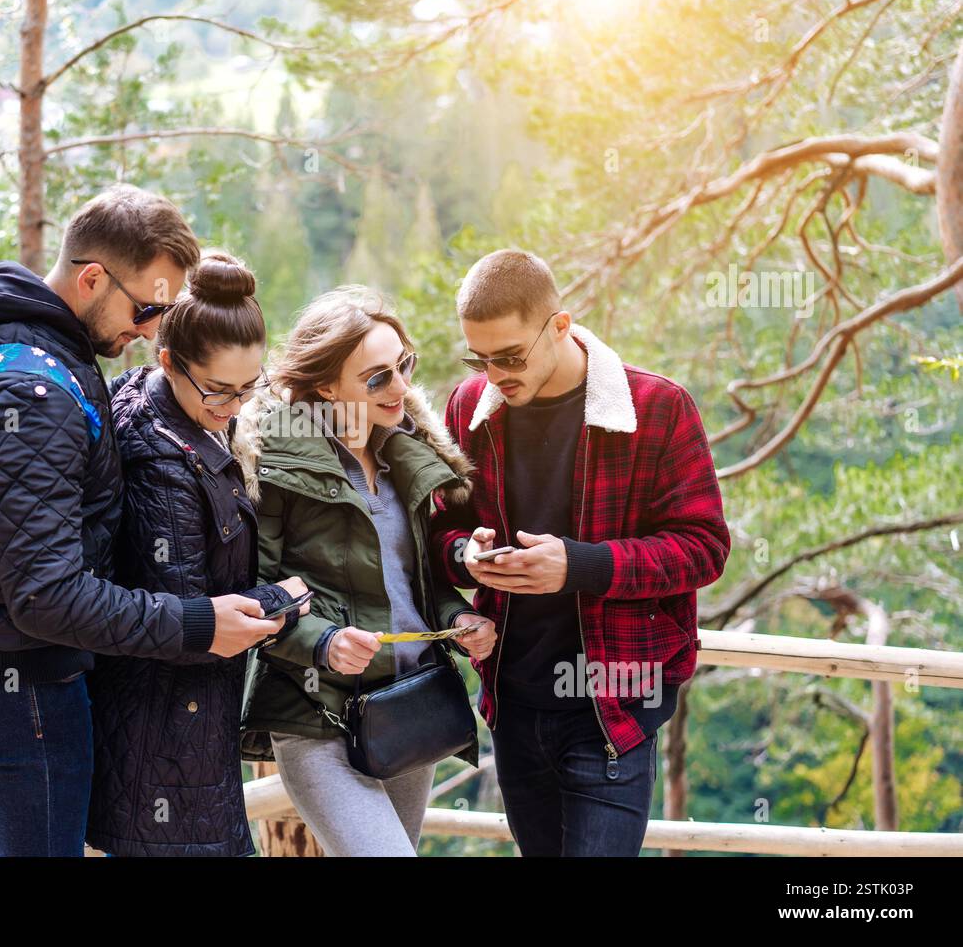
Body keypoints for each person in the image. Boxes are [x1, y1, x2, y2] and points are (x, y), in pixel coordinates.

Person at [0, 185, 281, 857]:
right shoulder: (33, 393)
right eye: (145, 308)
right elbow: (47, 595)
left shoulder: (5, 336)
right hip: (20, 676)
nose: (148, 331)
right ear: (92, 278)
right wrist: (199, 622)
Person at [429, 248, 731, 856]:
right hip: (513, 704)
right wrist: (468, 553)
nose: (495, 375)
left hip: (614, 707)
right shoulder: (467, 408)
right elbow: (437, 535)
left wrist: (580, 565)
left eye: (510, 357)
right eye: (479, 358)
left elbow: (703, 550)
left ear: (560, 325)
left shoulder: (657, 408)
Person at [236, 286, 497, 857]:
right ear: (327, 385)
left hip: (410, 708)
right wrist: (322, 642)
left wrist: (459, 618)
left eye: (404, 366)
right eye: (377, 377)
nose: (400, 388)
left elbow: (418, 579)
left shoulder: (404, 459)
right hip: (319, 717)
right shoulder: (276, 467)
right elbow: (254, 595)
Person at [87, 251, 308, 856]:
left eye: (248, 388)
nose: (234, 408)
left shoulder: (181, 416)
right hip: (166, 737)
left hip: (183, 732)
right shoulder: (161, 459)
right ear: (167, 360)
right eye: (217, 391)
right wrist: (288, 598)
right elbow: (195, 624)